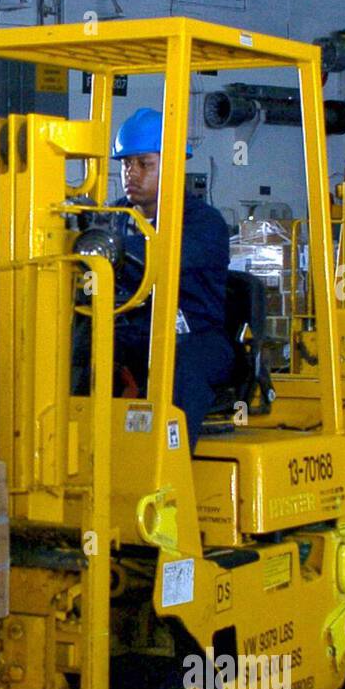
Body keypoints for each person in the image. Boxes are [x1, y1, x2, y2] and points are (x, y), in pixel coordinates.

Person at [73, 108, 233, 449]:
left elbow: (160, 256)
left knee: (177, 369)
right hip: (133, 329)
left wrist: (109, 247)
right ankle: (76, 452)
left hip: (194, 335)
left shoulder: (204, 223)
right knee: (75, 349)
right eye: (126, 164)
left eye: (144, 164)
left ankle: (167, 468)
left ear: (173, 165)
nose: (132, 173)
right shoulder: (116, 218)